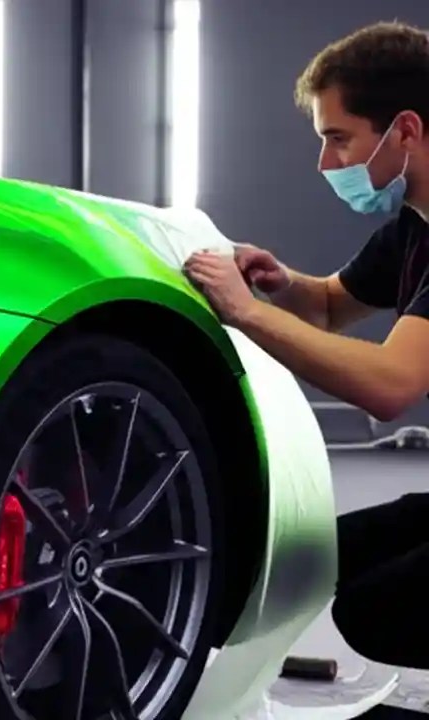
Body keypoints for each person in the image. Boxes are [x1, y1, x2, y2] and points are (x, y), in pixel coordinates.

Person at [183, 20, 429, 670]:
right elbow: (327, 306)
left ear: (405, 131)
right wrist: (278, 282)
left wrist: (243, 313)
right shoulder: (413, 228)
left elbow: (391, 385)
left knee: (377, 611)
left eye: (338, 138)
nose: (326, 163)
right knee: (327, 558)